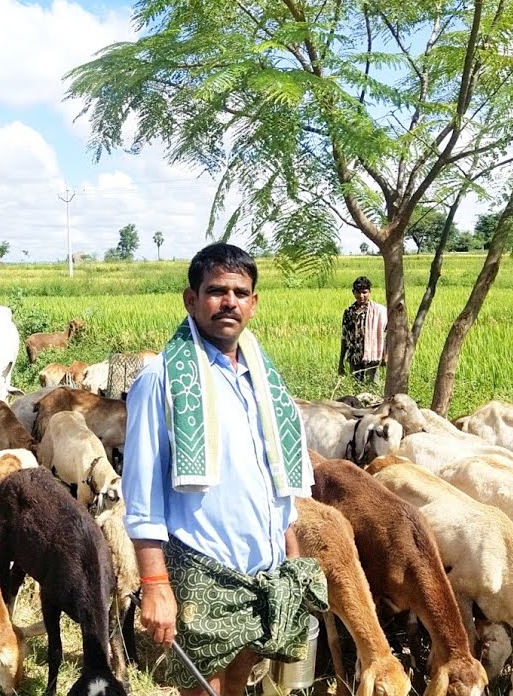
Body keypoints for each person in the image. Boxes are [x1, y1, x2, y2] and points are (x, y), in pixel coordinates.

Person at [122, 243, 327, 696]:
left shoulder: (266, 382)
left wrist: (292, 556)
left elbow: (274, 480)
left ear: (253, 304)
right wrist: (154, 584)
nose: (229, 301)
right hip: (203, 572)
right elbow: (141, 495)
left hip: (263, 573)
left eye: (240, 292)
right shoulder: (163, 380)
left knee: (237, 684)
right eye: (216, 291)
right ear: (191, 299)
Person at [338, 275, 386, 384]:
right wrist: (341, 362)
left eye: (364, 292)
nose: (361, 296)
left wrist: (385, 355)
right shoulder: (349, 312)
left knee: (373, 386)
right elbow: (344, 337)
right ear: (353, 292)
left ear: (369, 292)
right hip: (354, 357)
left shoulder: (378, 311)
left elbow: (385, 335)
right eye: (358, 292)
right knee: (356, 387)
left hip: (372, 357)